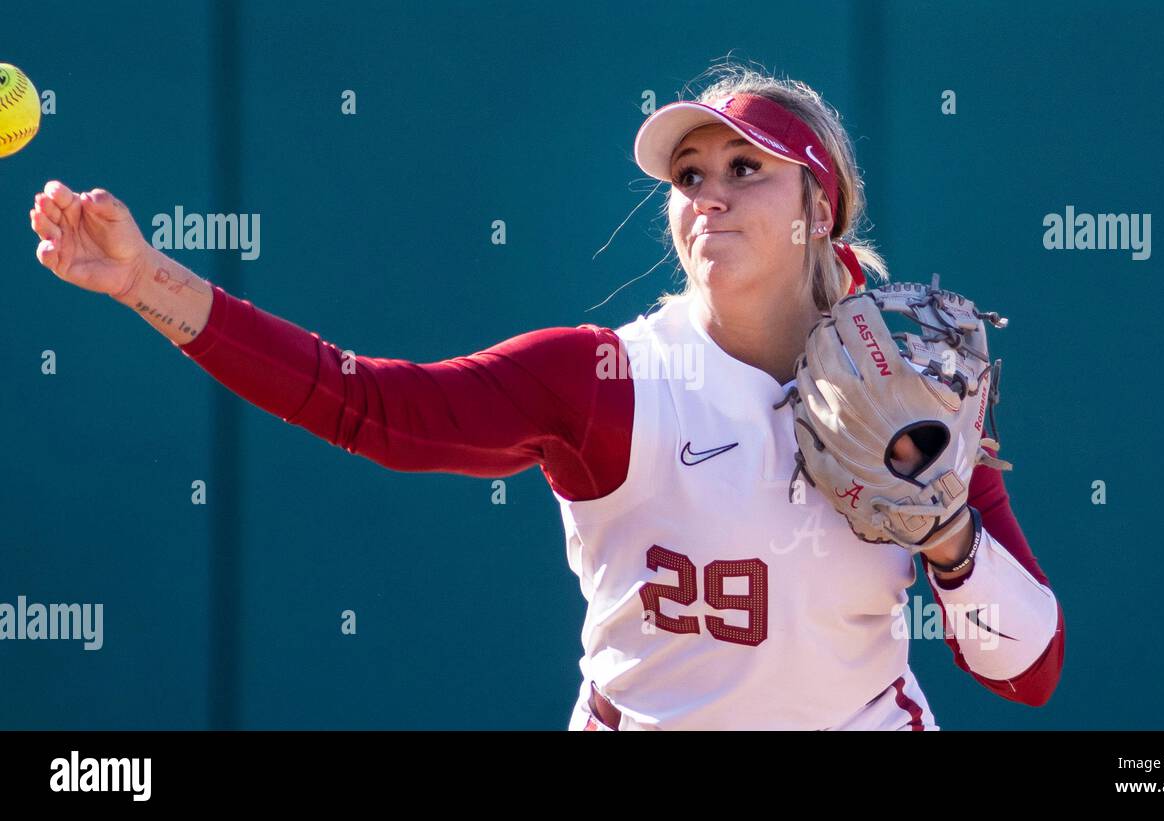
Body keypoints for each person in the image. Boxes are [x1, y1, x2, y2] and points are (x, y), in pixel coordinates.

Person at [28, 65, 1063, 731]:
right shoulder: (607, 377)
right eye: (688, 174)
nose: (707, 192)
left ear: (815, 208)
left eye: (745, 168)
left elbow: (1028, 673)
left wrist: (953, 541)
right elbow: (371, 406)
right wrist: (145, 279)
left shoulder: (907, 380)